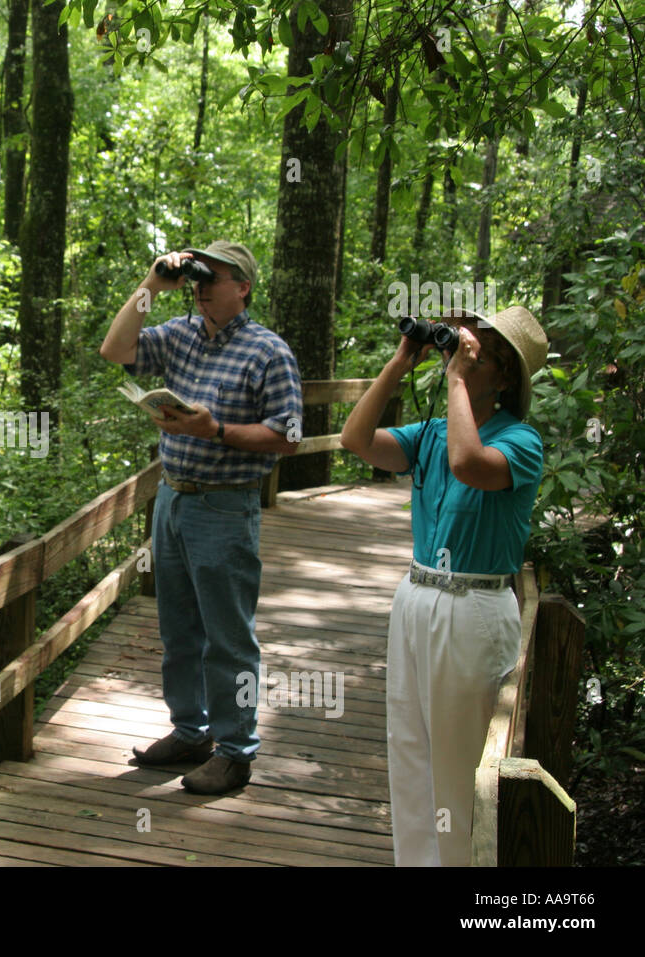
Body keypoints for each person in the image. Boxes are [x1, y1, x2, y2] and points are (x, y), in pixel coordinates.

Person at [340, 306, 547, 865]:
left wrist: (454, 378)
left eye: (475, 351)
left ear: (503, 377)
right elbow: (354, 439)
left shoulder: (521, 439)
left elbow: (468, 463)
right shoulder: (429, 431)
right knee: (410, 754)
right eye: (459, 344)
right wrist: (401, 361)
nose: (459, 354)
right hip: (416, 596)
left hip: (472, 604)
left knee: (457, 767)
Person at [99, 242, 302, 795]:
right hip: (173, 499)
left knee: (228, 637)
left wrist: (215, 431)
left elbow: (287, 436)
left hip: (225, 505)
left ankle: (236, 751)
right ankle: (191, 732)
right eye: (199, 275)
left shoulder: (268, 352)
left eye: (217, 277)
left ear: (245, 288)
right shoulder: (180, 333)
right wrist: (152, 282)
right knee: (178, 628)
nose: (203, 284)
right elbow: (115, 350)